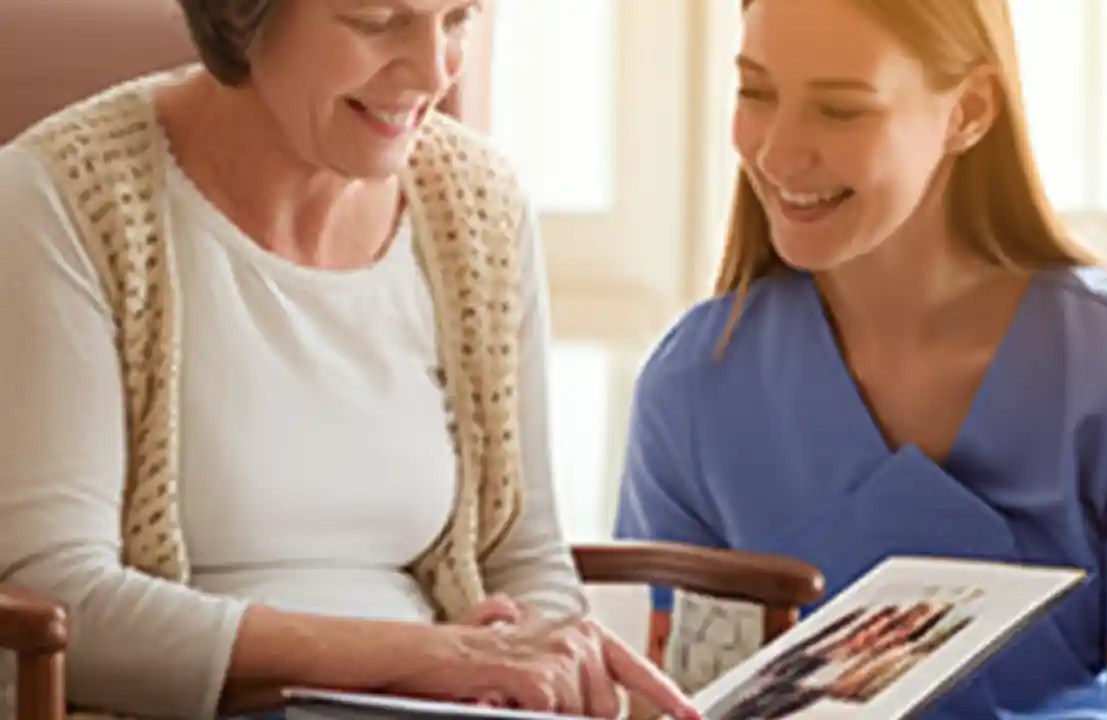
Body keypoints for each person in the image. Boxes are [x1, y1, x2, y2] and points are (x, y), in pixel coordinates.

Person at [0, 1, 700, 719]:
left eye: (457, 17)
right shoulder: (59, 200)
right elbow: (60, 601)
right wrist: (417, 659)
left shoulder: (480, 207)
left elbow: (523, 556)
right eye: (375, 20)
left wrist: (538, 661)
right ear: (244, 15)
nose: (434, 70)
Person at [613, 0, 1107, 717]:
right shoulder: (697, 383)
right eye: (757, 93)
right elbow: (677, 700)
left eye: (839, 109)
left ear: (969, 111)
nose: (776, 152)